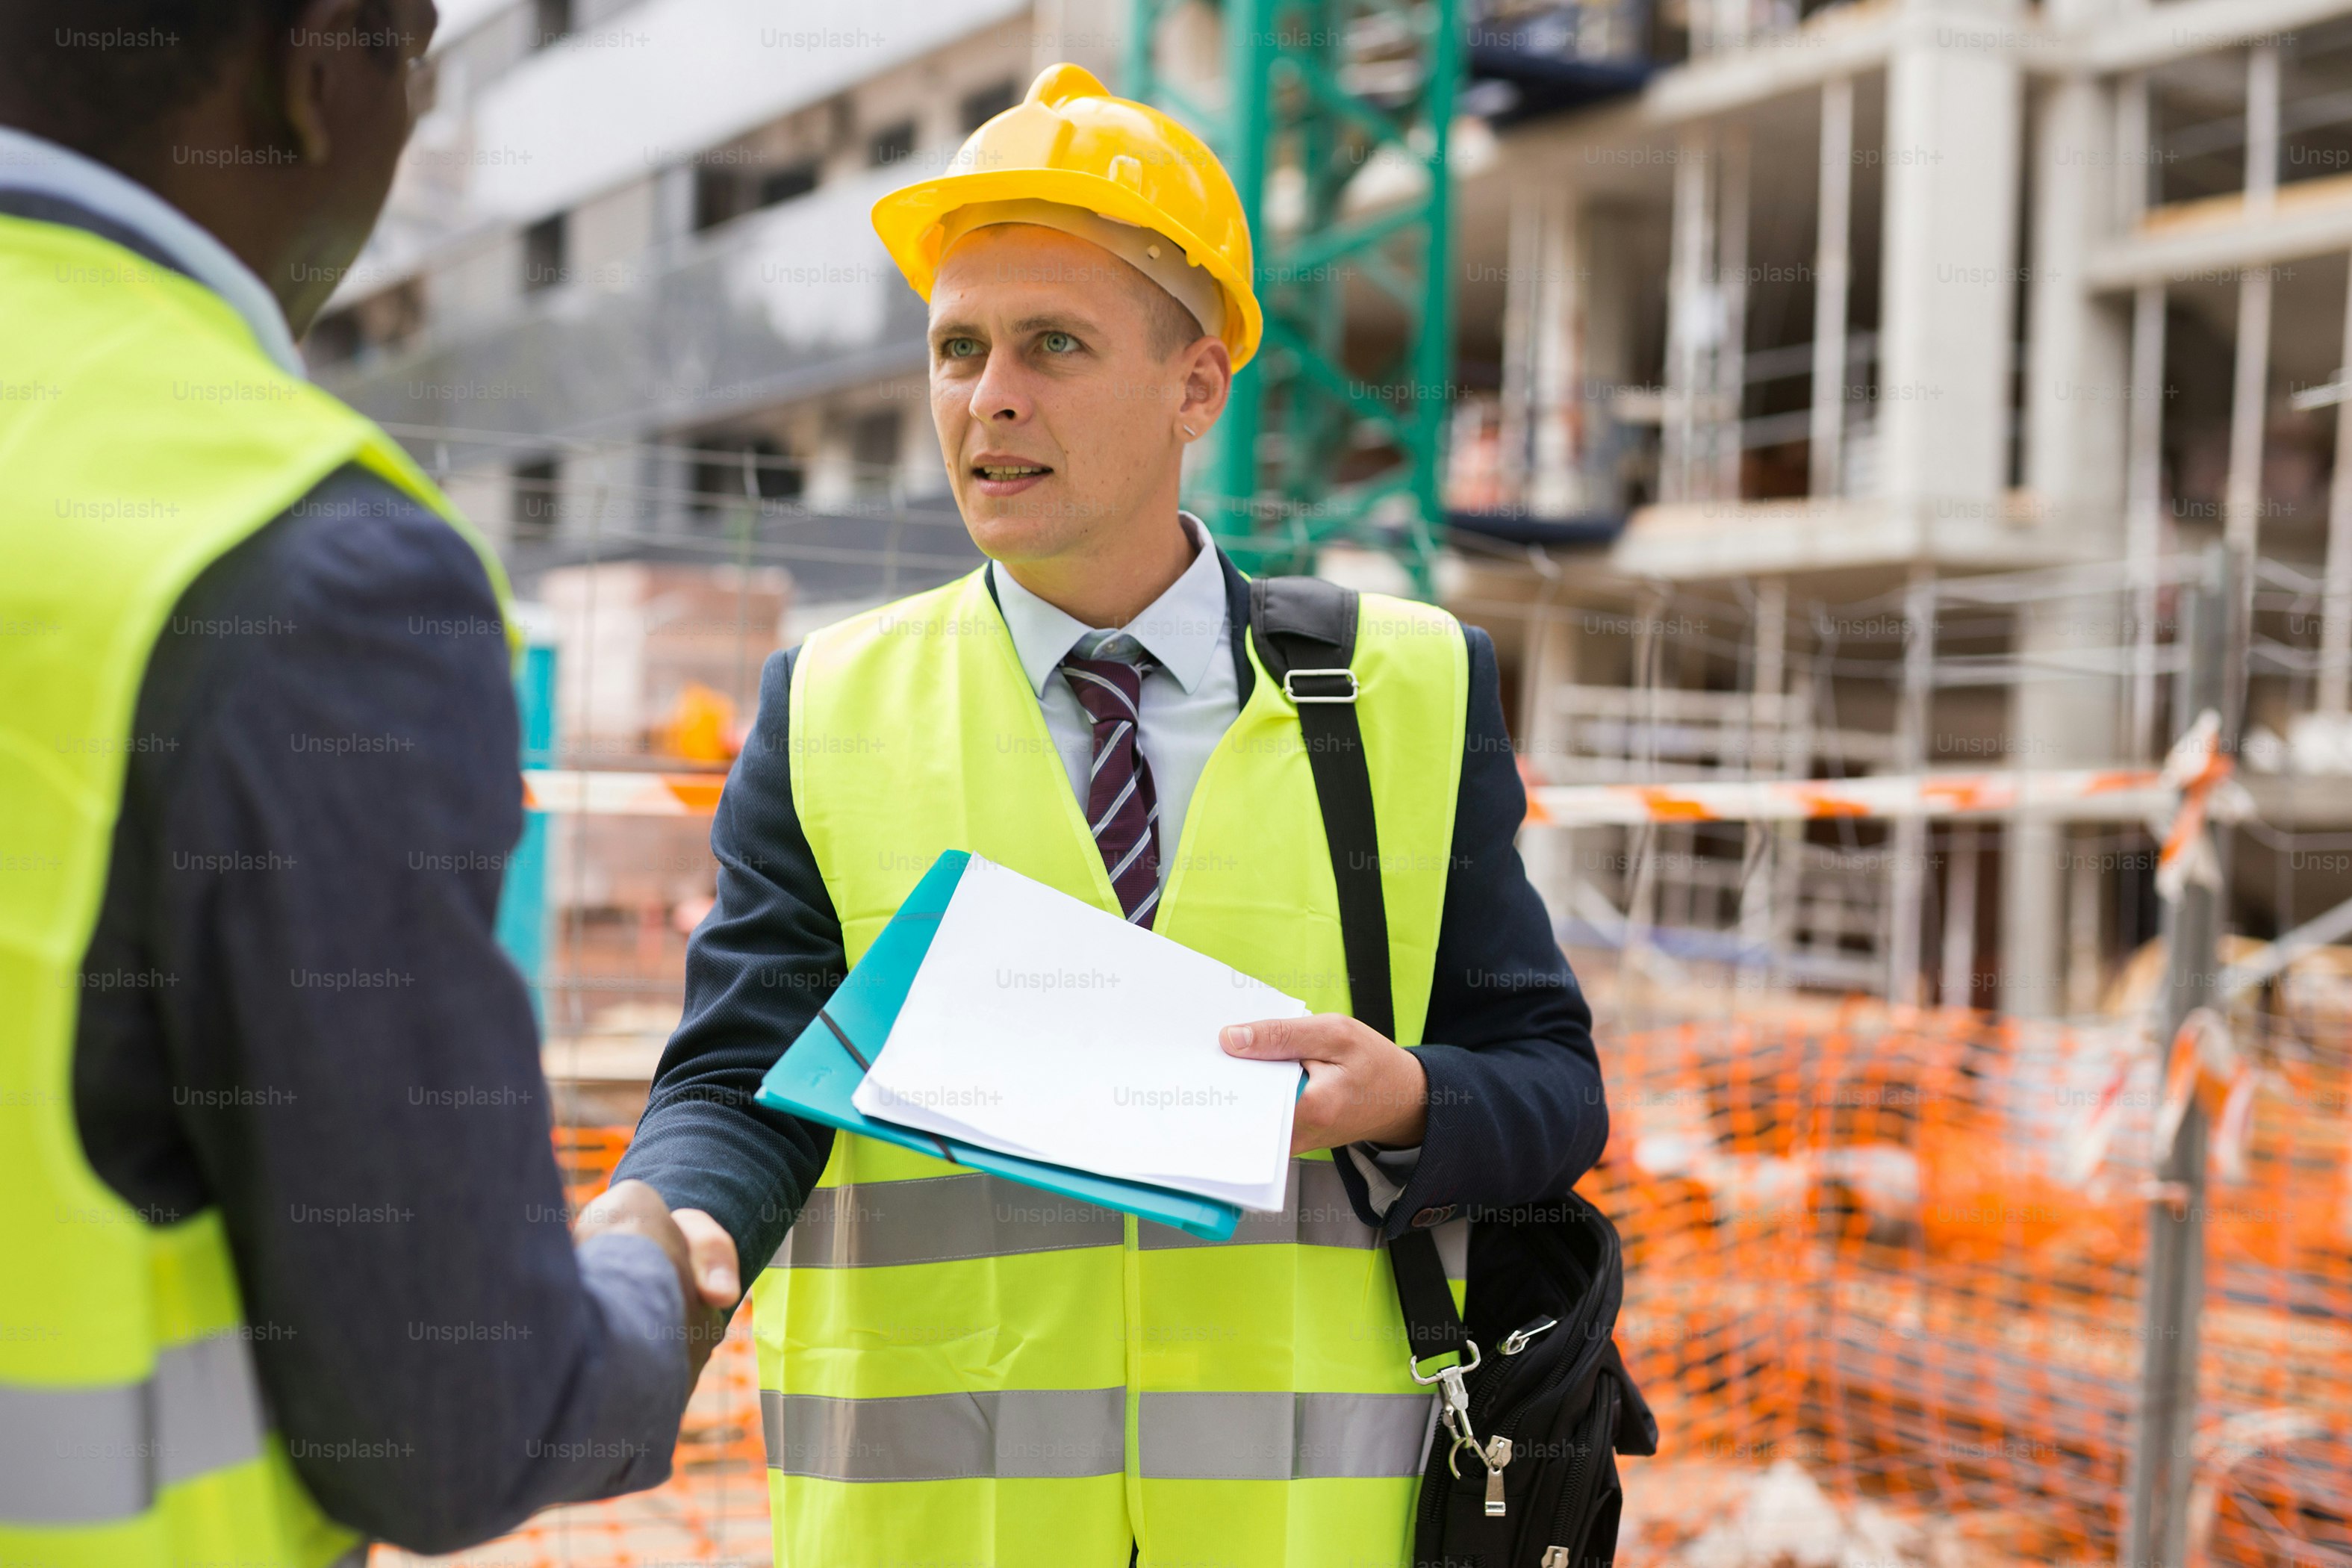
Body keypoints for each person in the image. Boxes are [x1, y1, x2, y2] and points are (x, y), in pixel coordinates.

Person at [584, 63, 1612, 1568]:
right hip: (941, 1531)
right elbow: (741, 1074)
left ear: (1197, 383)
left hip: (1299, 1533)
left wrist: (1407, 1103)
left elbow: (1555, 1086)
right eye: (958, 348)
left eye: (1052, 344)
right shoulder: (832, 706)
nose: (988, 396)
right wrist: (680, 1223)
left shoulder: (1407, 692)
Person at [0, 4, 715, 1564]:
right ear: (317, 69)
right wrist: (653, 1273)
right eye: (420, 66)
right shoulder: (305, 565)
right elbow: (447, 1420)